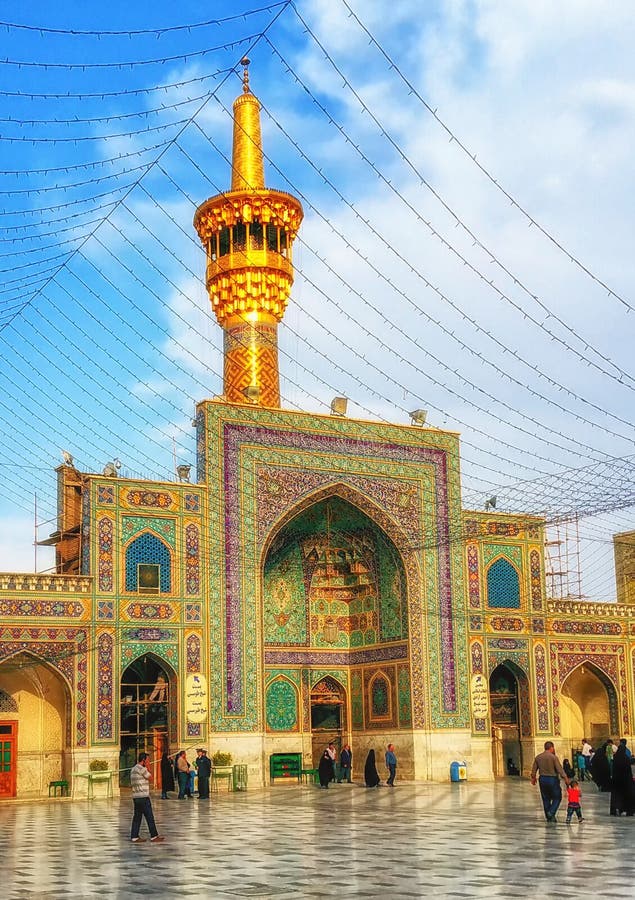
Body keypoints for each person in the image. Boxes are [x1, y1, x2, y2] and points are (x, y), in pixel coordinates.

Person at [130, 752, 165, 843]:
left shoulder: (133, 769)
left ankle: (134, 836)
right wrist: (148, 767)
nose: (149, 761)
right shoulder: (142, 769)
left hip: (136, 797)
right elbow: (150, 778)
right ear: (144, 760)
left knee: (137, 817)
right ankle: (154, 836)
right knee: (149, 817)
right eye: (148, 760)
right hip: (143, 797)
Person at [530, 740, 569, 823]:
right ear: (551, 748)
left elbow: (533, 770)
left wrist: (533, 778)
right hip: (552, 779)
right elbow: (560, 769)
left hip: (542, 779)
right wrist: (566, 778)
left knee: (545, 798)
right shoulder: (553, 757)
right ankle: (551, 812)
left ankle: (549, 817)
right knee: (557, 797)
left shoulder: (538, 757)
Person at [609, 741, 635, 816]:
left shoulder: (615, 758)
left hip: (617, 781)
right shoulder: (626, 758)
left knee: (617, 796)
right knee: (627, 796)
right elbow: (628, 771)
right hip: (626, 782)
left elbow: (613, 769)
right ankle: (628, 811)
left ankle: (617, 809)